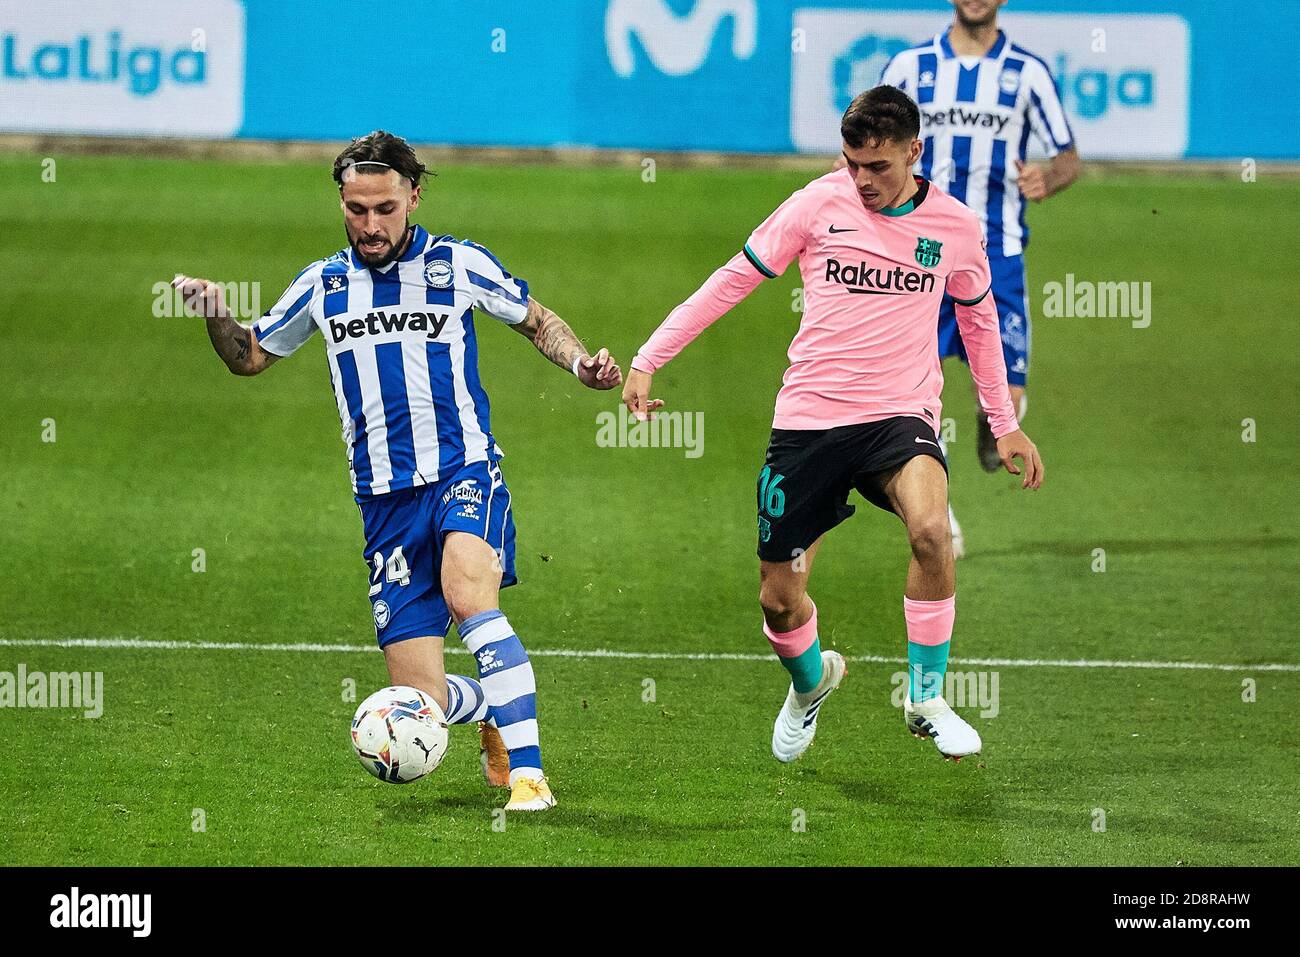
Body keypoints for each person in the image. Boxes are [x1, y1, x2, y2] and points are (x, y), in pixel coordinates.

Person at [172, 130, 623, 810]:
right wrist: (216, 315)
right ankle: (493, 707)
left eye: (384, 208)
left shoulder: (457, 264)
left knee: (470, 597)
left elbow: (535, 320)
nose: (371, 225)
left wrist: (582, 364)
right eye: (357, 209)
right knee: (423, 703)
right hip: (384, 504)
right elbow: (250, 355)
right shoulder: (322, 284)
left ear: (413, 198)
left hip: (463, 471)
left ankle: (529, 779)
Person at [623, 88, 1042, 762]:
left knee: (931, 531)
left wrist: (1003, 422)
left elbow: (980, 323)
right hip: (809, 421)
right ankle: (811, 681)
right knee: (779, 598)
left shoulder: (957, 228)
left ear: (914, 151)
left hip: (899, 416)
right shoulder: (817, 205)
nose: (862, 180)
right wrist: (650, 357)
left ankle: (926, 698)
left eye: (877, 166)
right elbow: (732, 280)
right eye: (852, 164)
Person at [879, 0, 1077, 555]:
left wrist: (1049, 179)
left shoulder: (1028, 72)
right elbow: (868, 147)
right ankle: (937, 511)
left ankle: (993, 431)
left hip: (998, 256)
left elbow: (1068, 157)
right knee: (915, 392)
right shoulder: (909, 68)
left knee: (1006, 401)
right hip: (919, 253)